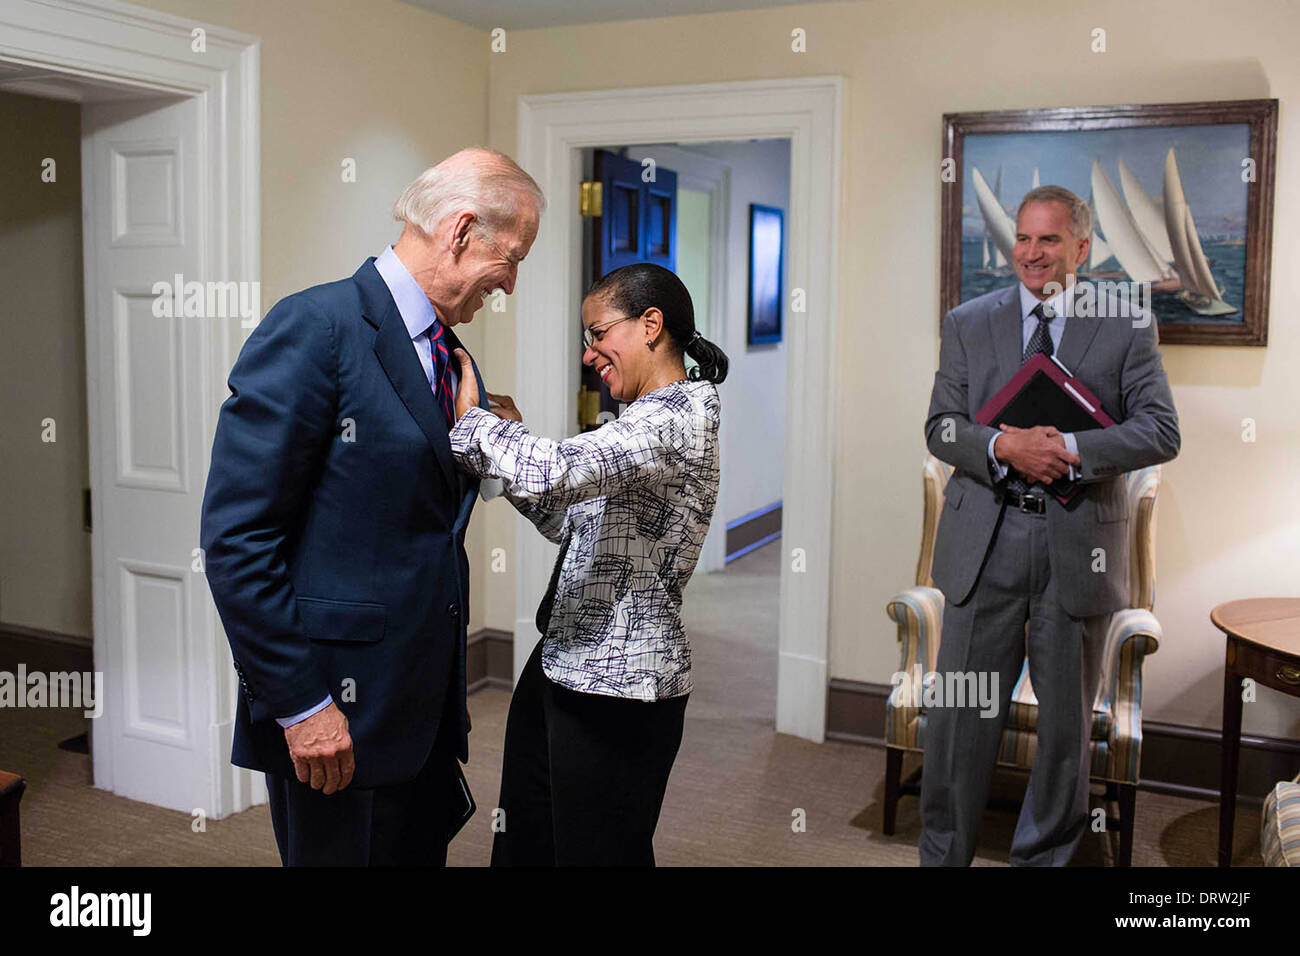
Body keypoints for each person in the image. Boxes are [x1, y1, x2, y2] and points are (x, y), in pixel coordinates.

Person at [199, 148, 543, 866]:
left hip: (421, 707)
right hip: (335, 713)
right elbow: (238, 539)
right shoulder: (315, 328)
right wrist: (299, 704)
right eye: (510, 258)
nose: (510, 284)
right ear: (460, 231)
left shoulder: (454, 356)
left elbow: (416, 507)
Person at [919, 184, 1180, 866]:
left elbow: (1160, 431)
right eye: (1024, 239)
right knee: (957, 722)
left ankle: (1047, 859)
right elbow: (942, 428)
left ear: (1082, 248)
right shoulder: (968, 322)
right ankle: (944, 856)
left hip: (1080, 549)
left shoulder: (1127, 324)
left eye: (1049, 240)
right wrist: (1003, 447)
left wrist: (1069, 452)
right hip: (985, 547)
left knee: (1064, 733)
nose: (1031, 254)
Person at [448, 262, 727, 866]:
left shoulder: (679, 416)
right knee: (526, 838)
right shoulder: (639, 421)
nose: (589, 355)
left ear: (650, 325)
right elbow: (570, 521)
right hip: (564, 664)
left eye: (598, 334)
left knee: (599, 853)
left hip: (622, 689)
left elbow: (553, 467)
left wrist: (474, 423)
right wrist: (507, 449)